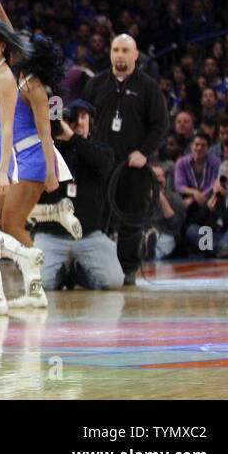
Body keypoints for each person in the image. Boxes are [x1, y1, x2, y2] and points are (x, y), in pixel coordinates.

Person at [84, 33, 170, 284]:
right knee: (97, 218)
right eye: (115, 50)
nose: (119, 55)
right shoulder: (96, 84)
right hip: (100, 165)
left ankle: (128, 270)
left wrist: (144, 152)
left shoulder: (149, 87)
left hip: (133, 167)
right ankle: (94, 268)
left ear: (135, 55)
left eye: (125, 50)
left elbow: (161, 125)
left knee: (131, 220)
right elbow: (83, 118)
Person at [34, 101, 122, 289]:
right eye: (73, 117)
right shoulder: (51, 150)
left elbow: (103, 164)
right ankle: (61, 277)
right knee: (39, 284)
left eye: (83, 116)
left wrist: (74, 138)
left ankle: (78, 272)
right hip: (51, 234)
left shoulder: (101, 150)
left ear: (91, 121)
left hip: (89, 234)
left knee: (113, 281)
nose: (78, 122)